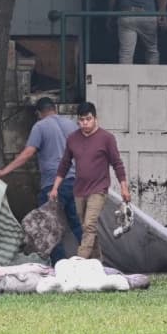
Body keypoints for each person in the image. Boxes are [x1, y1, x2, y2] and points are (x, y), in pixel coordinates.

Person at [0, 97, 83, 262]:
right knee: (76, 224)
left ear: (39, 113)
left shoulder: (40, 126)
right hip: (73, 181)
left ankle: (59, 265)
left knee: (48, 226)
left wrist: (4, 171)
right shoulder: (71, 125)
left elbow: (27, 154)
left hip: (53, 184)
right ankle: (91, 259)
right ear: (54, 108)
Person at [49, 102, 130, 261]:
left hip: (99, 189)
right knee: (87, 228)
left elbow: (117, 164)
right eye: (82, 120)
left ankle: (79, 262)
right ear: (78, 121)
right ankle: (97, 262)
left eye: (88, 119)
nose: (85, 123)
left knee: (89, 225)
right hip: (79, 190)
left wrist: (124, 188)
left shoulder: (106, 138)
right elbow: (64, 164)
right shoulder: (73, 139)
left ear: (95, 119)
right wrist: (55, 187)